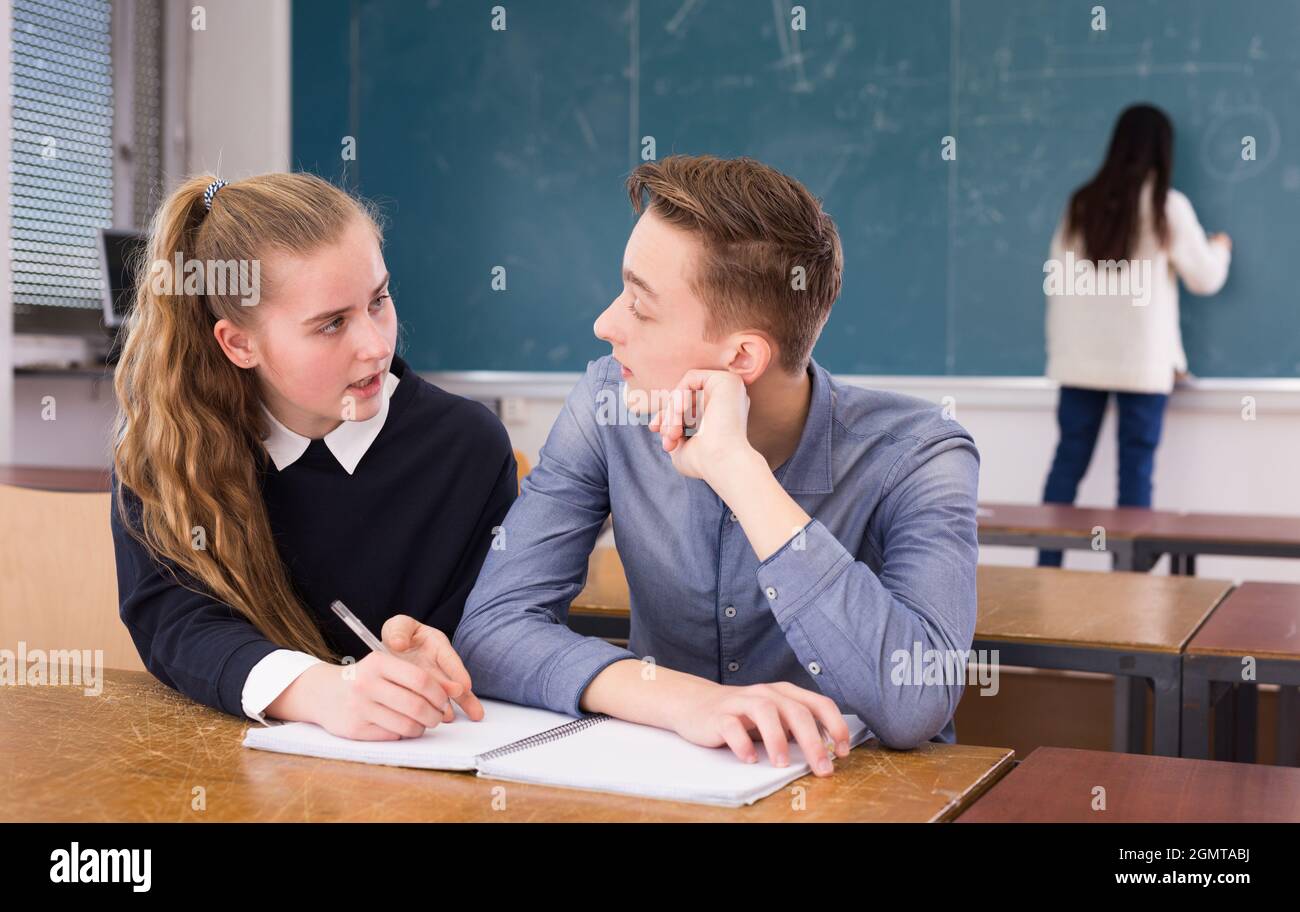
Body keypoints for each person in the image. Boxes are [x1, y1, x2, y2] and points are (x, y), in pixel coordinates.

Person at [454, 154, 981, 775]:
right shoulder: (607, 404)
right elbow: (491, 630)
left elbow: (914, 701)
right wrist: (688, 701)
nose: (604, 324)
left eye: (640, 307)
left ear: (741, 357)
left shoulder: (921, 453)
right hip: (670, 787)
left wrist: (741, 473)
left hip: (858, 795)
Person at [111, 172, 516, 738]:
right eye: (331, 324)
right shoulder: (169, 449)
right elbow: (173, 623)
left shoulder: (468, 447)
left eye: (379, 300)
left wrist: (445, 655)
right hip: (232, 771)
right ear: (239, 344)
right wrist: (320, 691)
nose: (376, 345)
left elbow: (494, 625)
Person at [1039, 104, 1231, 566]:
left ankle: (1045, 570)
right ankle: (1130, 588)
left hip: (1080, 360)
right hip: (1142, 365)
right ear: (1163, 150)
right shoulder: (1167, 206)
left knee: (1067, 466)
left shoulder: (1081, 202)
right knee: (1136, 474)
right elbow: (1204, 278)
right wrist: (1220, 249)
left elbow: (1058, 281)